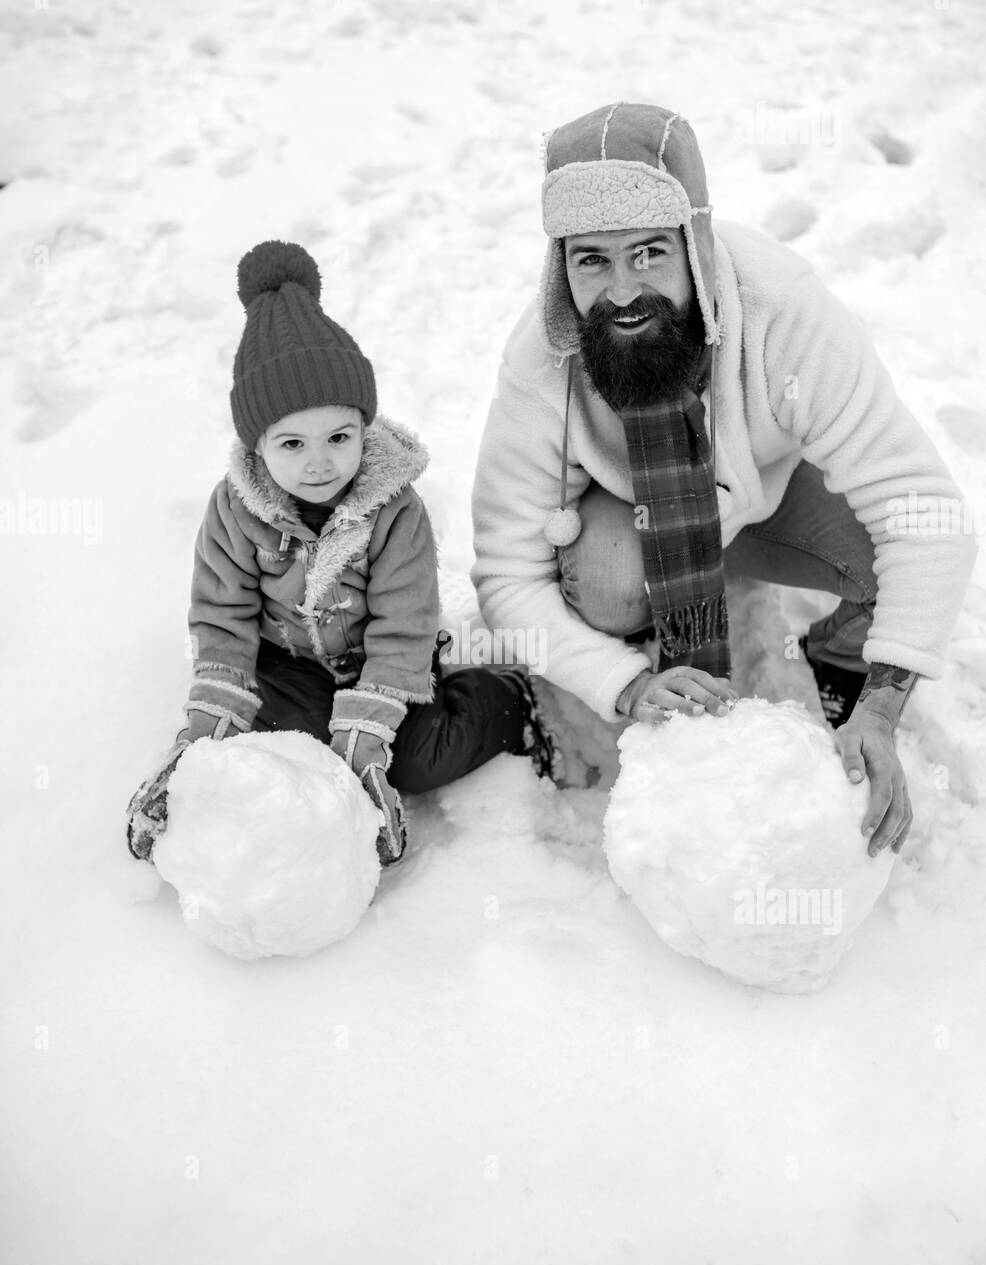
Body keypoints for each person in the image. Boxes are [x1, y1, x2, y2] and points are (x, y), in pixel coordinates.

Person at [471, 102, 976, 856]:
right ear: (560, 264)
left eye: (649, 252)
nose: (620, 292)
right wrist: (622, 682)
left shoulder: (782, 308)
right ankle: (653, 641)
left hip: (765, 503)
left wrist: (881, 706)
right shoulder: (541, 364)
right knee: (607, 579)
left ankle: (839, 668)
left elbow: (927, 511)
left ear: (695, 244)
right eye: (592, 259)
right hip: (632, 527)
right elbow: (508, 575)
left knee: (888, 553)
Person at [127, 240, 555, 867]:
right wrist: (209, 729)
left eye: (338, 436)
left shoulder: (393, 510)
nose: (319, 461)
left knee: (418, 760)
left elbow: (404, 621)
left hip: (383, 659)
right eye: (292, 443)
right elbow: (222, 615)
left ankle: (505, 698)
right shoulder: (236, 510)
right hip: (289, 664)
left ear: (364, 428)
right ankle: (222, 761)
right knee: (279, 747)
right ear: (257, 447)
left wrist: (372, 721)